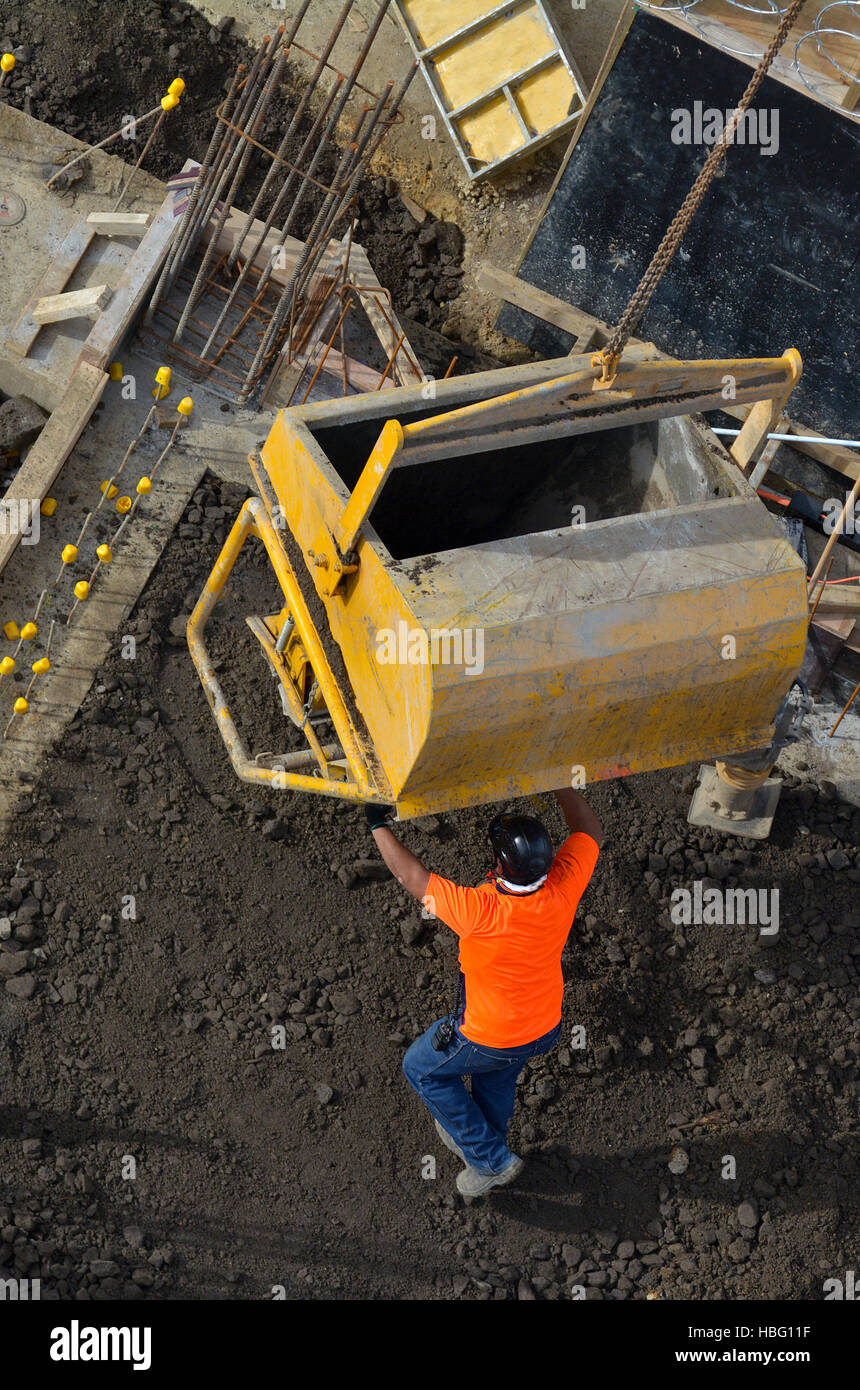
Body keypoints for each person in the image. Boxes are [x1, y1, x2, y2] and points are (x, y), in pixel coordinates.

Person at [363, 788, 602, 1198]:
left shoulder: (479, 911)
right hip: (541, 1029)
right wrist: (562, 784)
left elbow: (410, 876)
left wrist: (376, 823)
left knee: (421, 1068)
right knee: (496, 1080)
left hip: (488, 1035)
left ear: (498, 864)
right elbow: (590, 830)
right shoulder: (564, 889)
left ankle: (491, 1160)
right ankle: (485, 1139)